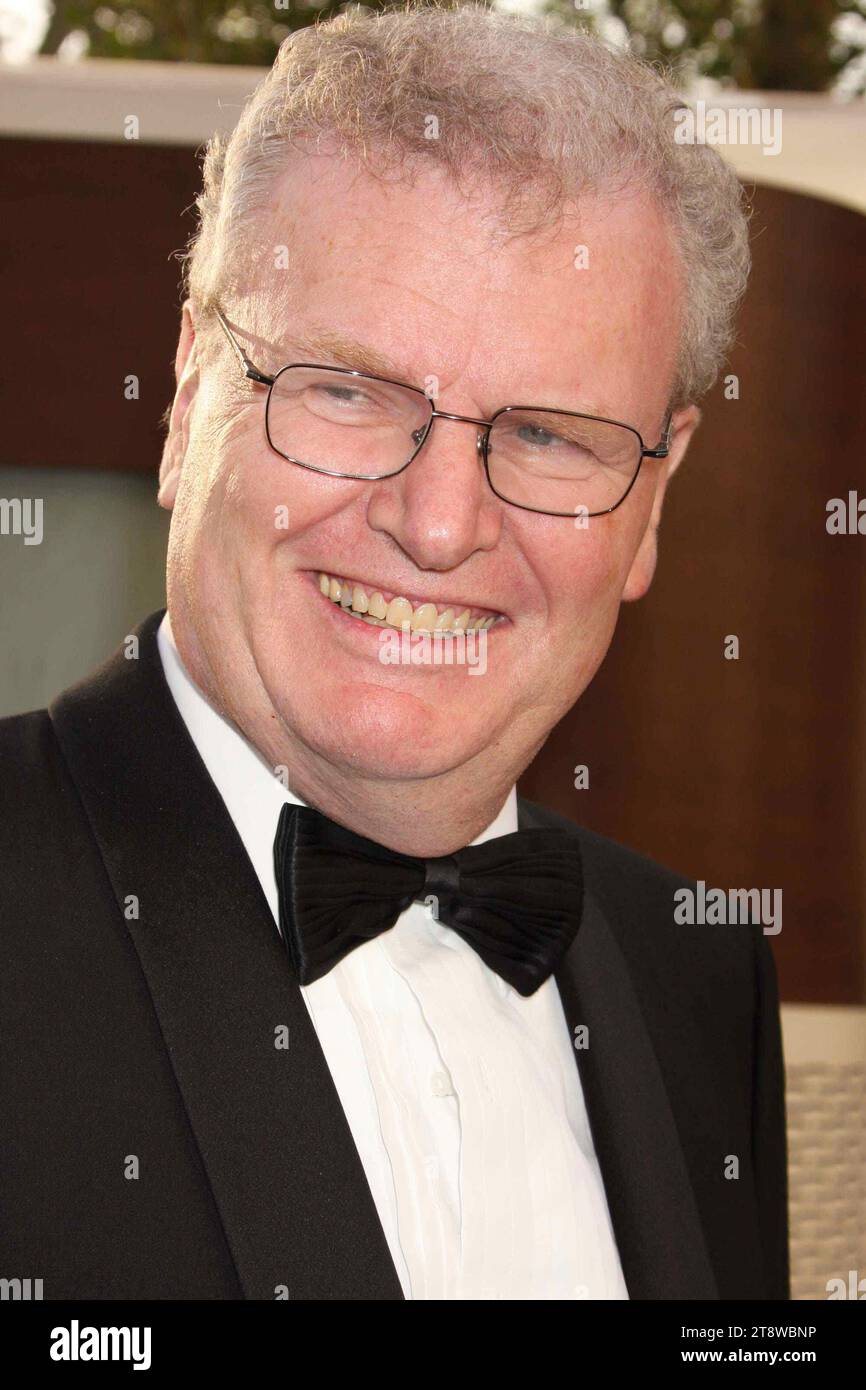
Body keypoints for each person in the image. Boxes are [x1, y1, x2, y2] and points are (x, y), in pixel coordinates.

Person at [0, 3, 787, 1300]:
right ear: (190, 387)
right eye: (349, 391)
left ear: (654, 497)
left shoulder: (696, 975)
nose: (435, 524)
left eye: (547, 434)